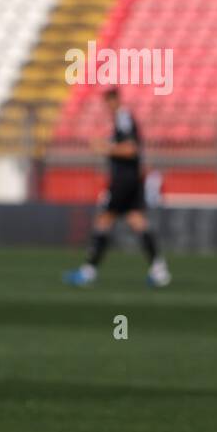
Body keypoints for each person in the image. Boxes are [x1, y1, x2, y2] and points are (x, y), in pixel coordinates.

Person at [64, 87, 171, 287]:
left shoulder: (123, 118)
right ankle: (159, 269)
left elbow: (131, 149)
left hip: (123, 180)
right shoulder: (121, 119)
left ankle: (88, 271)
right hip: (131, 179)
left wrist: (106, 148)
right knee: (137, 220)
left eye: (108, 102)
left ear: (115, 100)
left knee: (104, 220)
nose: (107, 107)